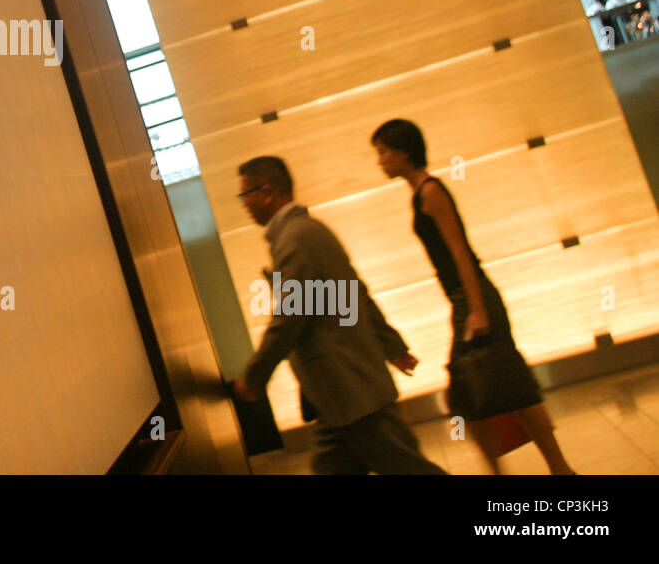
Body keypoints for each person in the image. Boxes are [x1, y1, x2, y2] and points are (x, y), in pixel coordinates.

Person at [371, 118, 576, 475]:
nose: (380, 161)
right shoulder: (420, 193)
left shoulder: (431, 192)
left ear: (404, 152)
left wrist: (477, 309)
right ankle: (543, 470)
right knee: (497, 392)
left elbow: (460, 251)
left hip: (474, 300)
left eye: (384, 152)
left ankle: (553, 469)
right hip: (465, 301)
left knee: (491, 392)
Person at [232, 156, 446, 474]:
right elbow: (354, 293)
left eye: (246, 194)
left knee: (408, 470)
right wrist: (391, 346)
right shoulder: (310, 230)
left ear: (268, 192)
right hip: (340, 393)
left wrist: (254, 377)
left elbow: (290, 319)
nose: (244, 204)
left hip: (348, 387)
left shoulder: (294, 240)